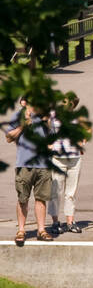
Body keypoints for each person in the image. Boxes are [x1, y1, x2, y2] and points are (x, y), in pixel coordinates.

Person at [5, 98, 54, 244]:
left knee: (41, 199)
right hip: (24, 164)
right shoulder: (18, 116)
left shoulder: (45, 115)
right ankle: (21, 230)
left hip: (43, 164)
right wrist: (23, 126)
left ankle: (41, 230)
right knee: (22, 199)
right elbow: (8, 137)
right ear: (24, 103)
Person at [48, 93, 86, 235]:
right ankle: (55, 222)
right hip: (58, 158)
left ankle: (70, 221)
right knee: (55, 192)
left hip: (74, 158)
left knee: (71, 193)